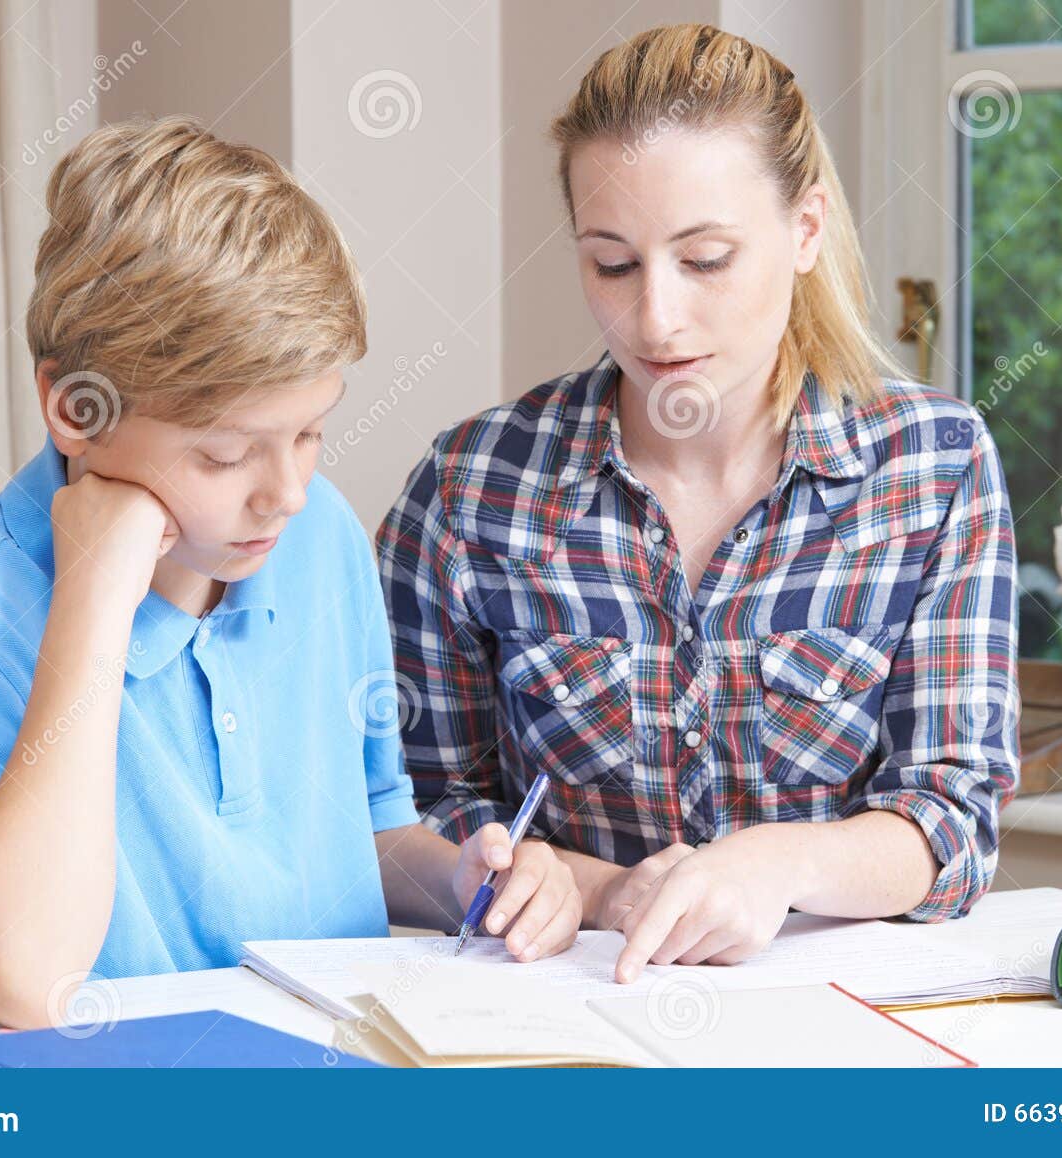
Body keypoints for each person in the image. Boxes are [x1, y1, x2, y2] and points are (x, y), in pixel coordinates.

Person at [0, 116, 581, 1027]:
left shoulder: (317, 536)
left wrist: (468, 881)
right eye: (224, 455)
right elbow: (27, 976)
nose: (285, 491)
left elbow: (368, 831)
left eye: (312, 433)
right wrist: (93, 599)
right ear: (74, 409)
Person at [377, 24, 1020, 985]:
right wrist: (594, 891)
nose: (656, 319)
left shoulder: (934, 467)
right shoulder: (473, 485)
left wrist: (777, 862)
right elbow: (403, 811)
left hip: (826, 1024)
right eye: (612, 263)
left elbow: (952, 822)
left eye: (706, 258)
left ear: (805, 230)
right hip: (563, 1018)